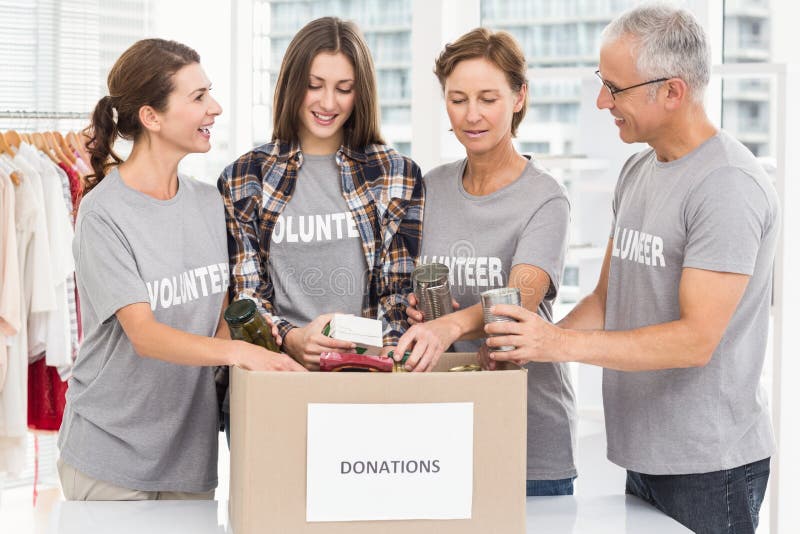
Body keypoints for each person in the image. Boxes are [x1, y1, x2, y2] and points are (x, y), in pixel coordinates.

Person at [486, 5, 778, 532]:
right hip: (643, 454)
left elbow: (695, 341)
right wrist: (531, 345)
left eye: (614, 89)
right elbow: (606, 298)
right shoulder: (639, 168)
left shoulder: (728, 186)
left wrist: (558, 346)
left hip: (711, 467)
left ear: (671, 92)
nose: (602, 102)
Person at [57, 38, 304, 502]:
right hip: (111, 457)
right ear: (151, 116)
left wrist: (273, 341)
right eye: (198, 97)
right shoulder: (103, 214)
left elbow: (220, 316)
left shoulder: (209, 203)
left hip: (188, 458)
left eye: (209, 92)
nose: (215, 107)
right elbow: (145, 335)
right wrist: (240, 356)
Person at [394, 28, 577, 496]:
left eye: (488, 98)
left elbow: (517, 303)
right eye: (457, 99)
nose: (471, 115)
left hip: (527, 436)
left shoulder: (545, 198)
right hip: (436, 429)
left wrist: (451, 325)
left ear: (519, 98)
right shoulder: (427, 188)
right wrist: (418, 312)